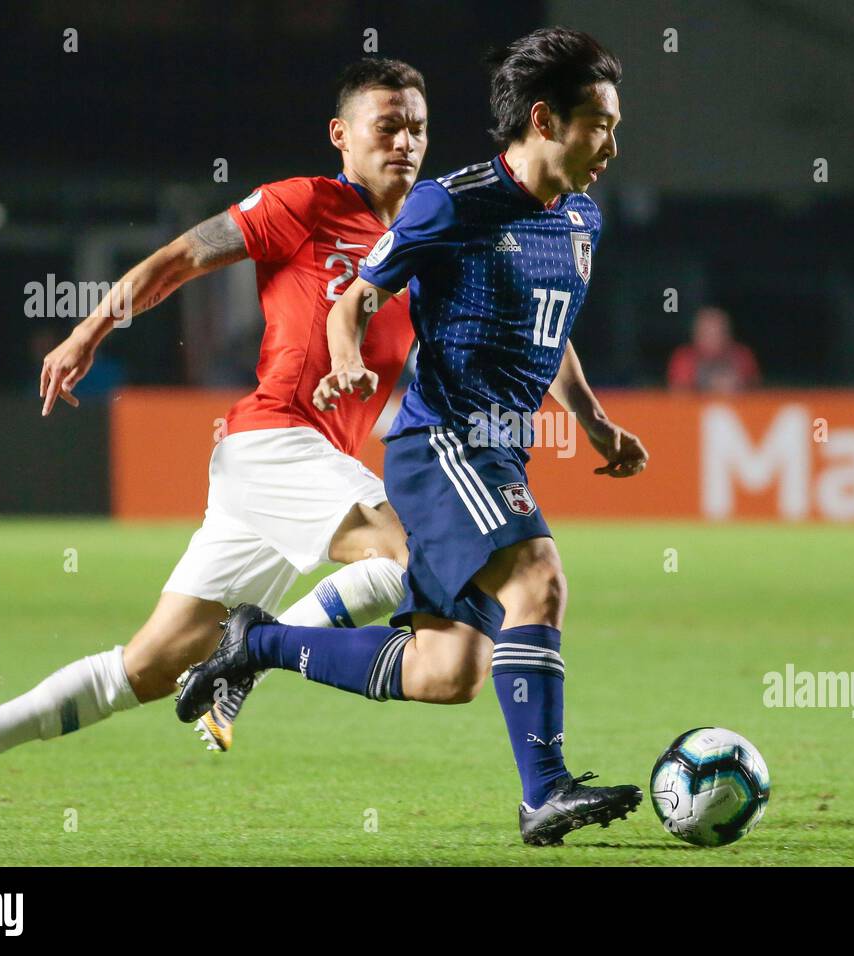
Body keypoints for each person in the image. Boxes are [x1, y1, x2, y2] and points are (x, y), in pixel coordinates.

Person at [0, 58, 429, 830]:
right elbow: (181, 258)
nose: (405, 141)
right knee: (402, 559)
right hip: (275, 441)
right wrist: (90, 328)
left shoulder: (422, 241)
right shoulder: (306, 202)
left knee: (149, 666)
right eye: (387, 125)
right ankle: (257, 652)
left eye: (417, 125)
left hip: (300, 468)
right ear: (341, 137)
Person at [177, 28, 648, 847]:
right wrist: (350, 362)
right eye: (599, 123)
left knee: (448, 672)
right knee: (536, 577)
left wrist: (595, 420)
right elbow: (352, 299)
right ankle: (545, 792)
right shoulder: (454, 202)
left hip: (501, 448)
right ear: (544, 119)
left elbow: (554, 326)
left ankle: (260, 641)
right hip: (444, 445)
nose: (611, 142)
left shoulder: (580, 218)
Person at [667, 306, 760, 392]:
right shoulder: (684, 359)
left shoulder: (742, 357)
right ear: (696, 334)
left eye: (719, 332)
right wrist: (711, 389)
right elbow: (678, 396)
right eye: (707, 333)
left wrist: (738, 386)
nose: (713, 338)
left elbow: (757, 392)